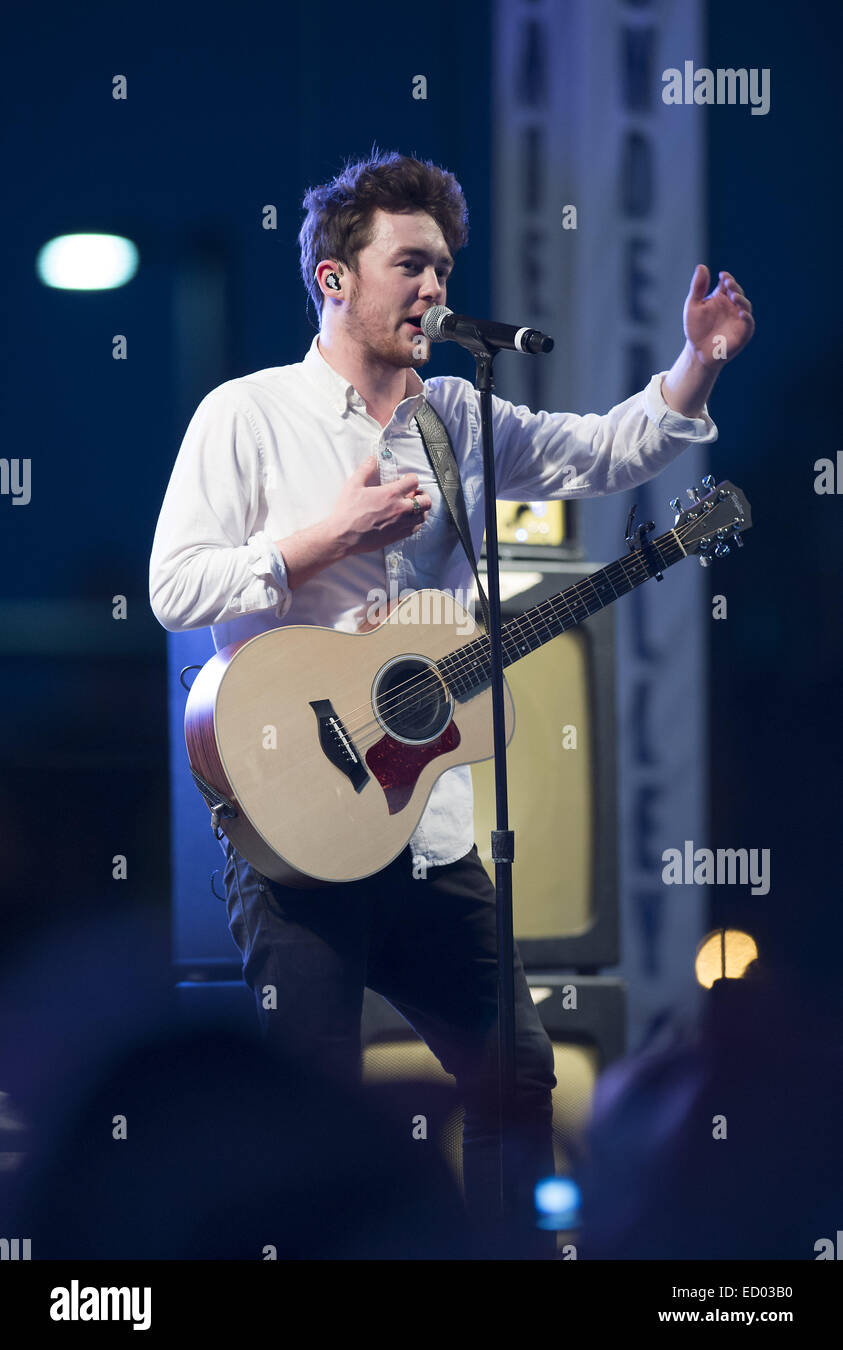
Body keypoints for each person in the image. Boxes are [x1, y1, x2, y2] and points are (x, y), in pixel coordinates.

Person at [148, 150, 754, 1258]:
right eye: (411, 265)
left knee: (515, 1073)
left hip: (426, 833)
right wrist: (321, 542)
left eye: (443, 267)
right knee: (312, 1102)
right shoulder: (246, 416)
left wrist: (695, 365)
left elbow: (600, 452)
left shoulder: (459, 416)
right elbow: (175, 585)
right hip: (293, 831)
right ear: (335, 280)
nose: (435, 288)